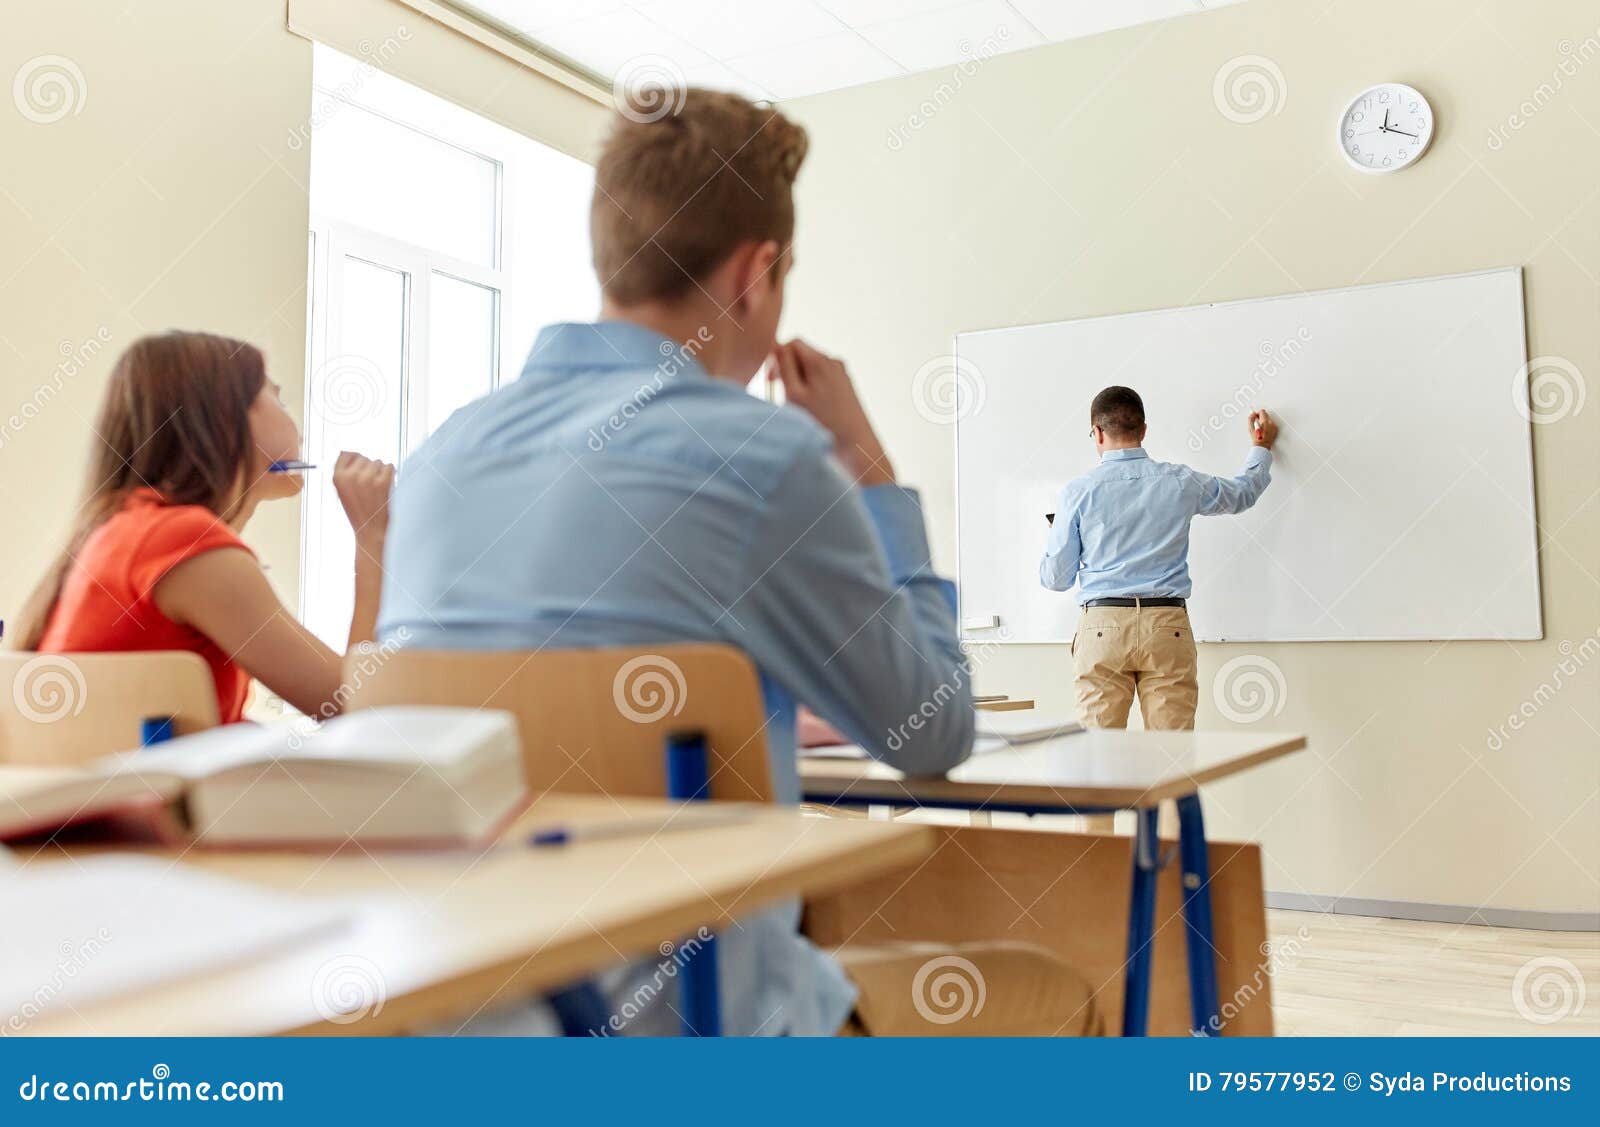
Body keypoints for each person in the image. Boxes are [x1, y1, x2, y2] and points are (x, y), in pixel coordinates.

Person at [379, 89, 1101, 1037]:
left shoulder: (439, 459)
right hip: (705, 1023)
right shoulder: (764, 460)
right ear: (755, 273)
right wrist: (876, 477)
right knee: (1065, 990)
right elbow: (933, 735)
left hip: (474, 1017)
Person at [11, 331, 394, 724]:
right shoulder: (185, 542)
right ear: (225, 418)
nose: (298, 425)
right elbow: (354, 709)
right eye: (276, 397)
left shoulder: (128, 528)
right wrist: (373, 540)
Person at [1040, 385, 1277, 731]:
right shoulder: (1180, 481)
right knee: (1172, 757)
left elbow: (1056, 578)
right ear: (1143, 430)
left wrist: (1055, 536)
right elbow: (1241, 494)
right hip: (1166, 625)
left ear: (1098, 432)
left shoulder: (1078, 492)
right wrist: (1261, 447)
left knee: (1097, 756)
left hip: (1103, 626)